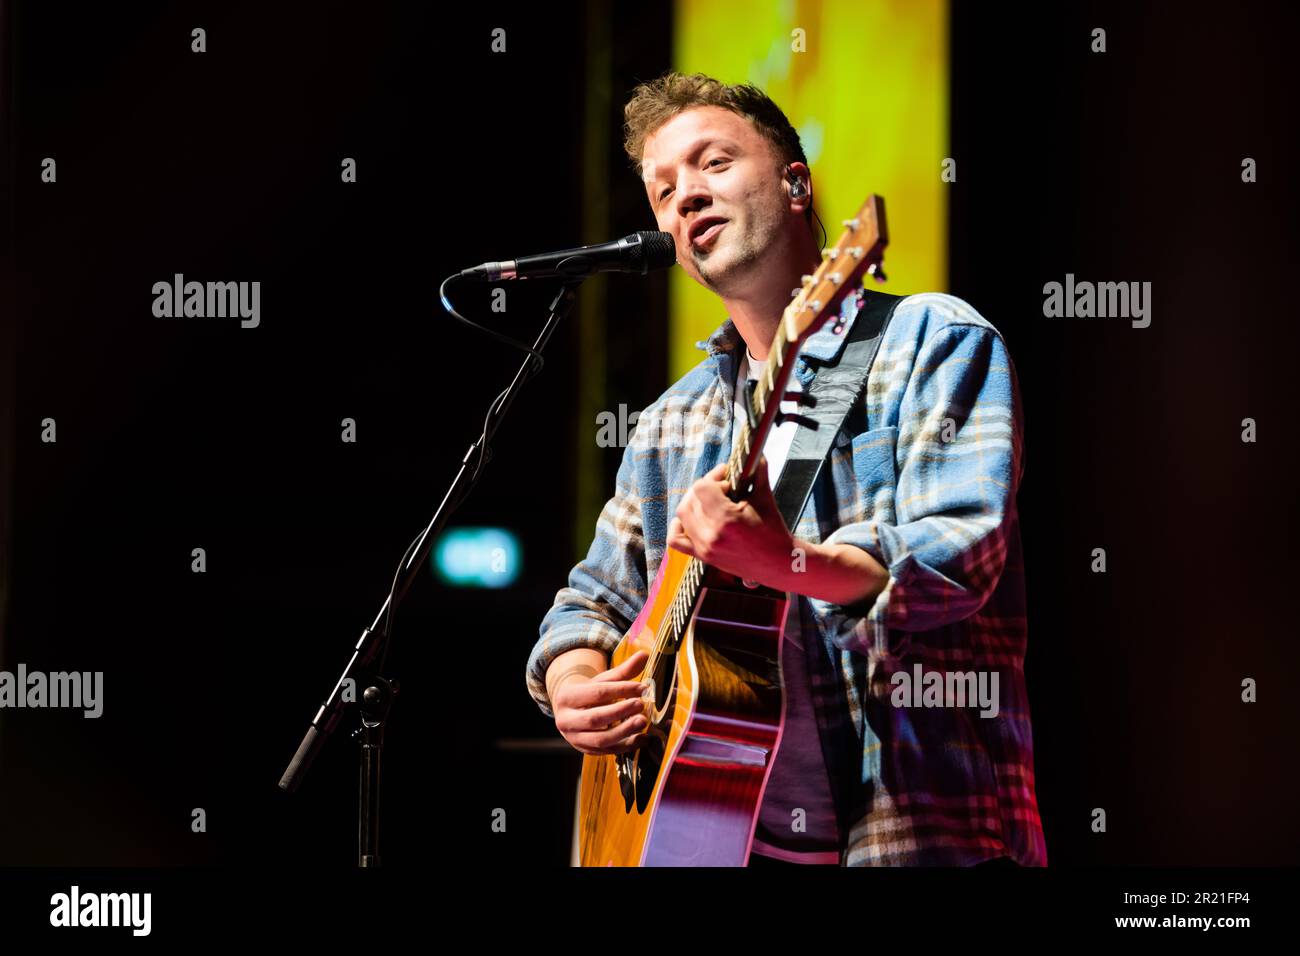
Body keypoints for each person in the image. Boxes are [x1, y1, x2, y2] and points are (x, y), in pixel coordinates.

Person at [524, 71, 1046, 867]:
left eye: (714, 164)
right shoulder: (673, 422)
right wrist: (574, 682)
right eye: (663, 192)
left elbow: (960, 554)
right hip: (721, 844)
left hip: (912, 833)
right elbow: (591, 600)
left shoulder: (929, 340)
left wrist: (784, 561)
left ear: (797, 184)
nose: (686, 198)